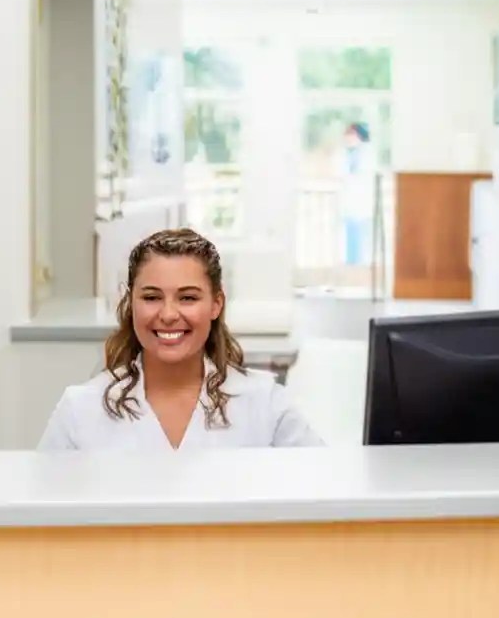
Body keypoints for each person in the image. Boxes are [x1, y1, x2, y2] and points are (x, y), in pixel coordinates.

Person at [38, 228, 323, 450]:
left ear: (216, 304)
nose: (169, 314)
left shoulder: (265, 404)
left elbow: (326, 489)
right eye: (151, 297)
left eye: (188, 298)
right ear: (131, 303)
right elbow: (41, 512)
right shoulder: (81, 409)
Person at [339, 122, 377, 267]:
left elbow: (359, 176)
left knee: (360, 233)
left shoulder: (365, 153)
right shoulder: (350, 153)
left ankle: (358, 264)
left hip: (360, 200)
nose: (347, 138)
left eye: (351, 135)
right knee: (352, 232)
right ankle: (353, 263)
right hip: (352, 200)